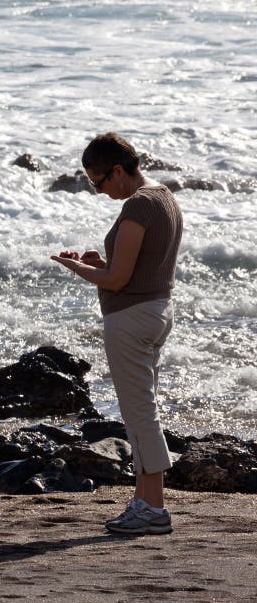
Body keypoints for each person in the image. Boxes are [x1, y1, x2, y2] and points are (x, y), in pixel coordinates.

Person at [51, 132, 183, 535]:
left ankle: (154, 508)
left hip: (132, 318)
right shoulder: (163, 196)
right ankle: (144, 501)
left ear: (119, 170)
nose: (98, 189)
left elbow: (117, 280)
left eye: (99, 181)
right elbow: (135, 267)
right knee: (144, 409)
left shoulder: (138, 206)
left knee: (139, 414)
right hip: (157, 310)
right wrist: (101, 263)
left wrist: (77, 268)